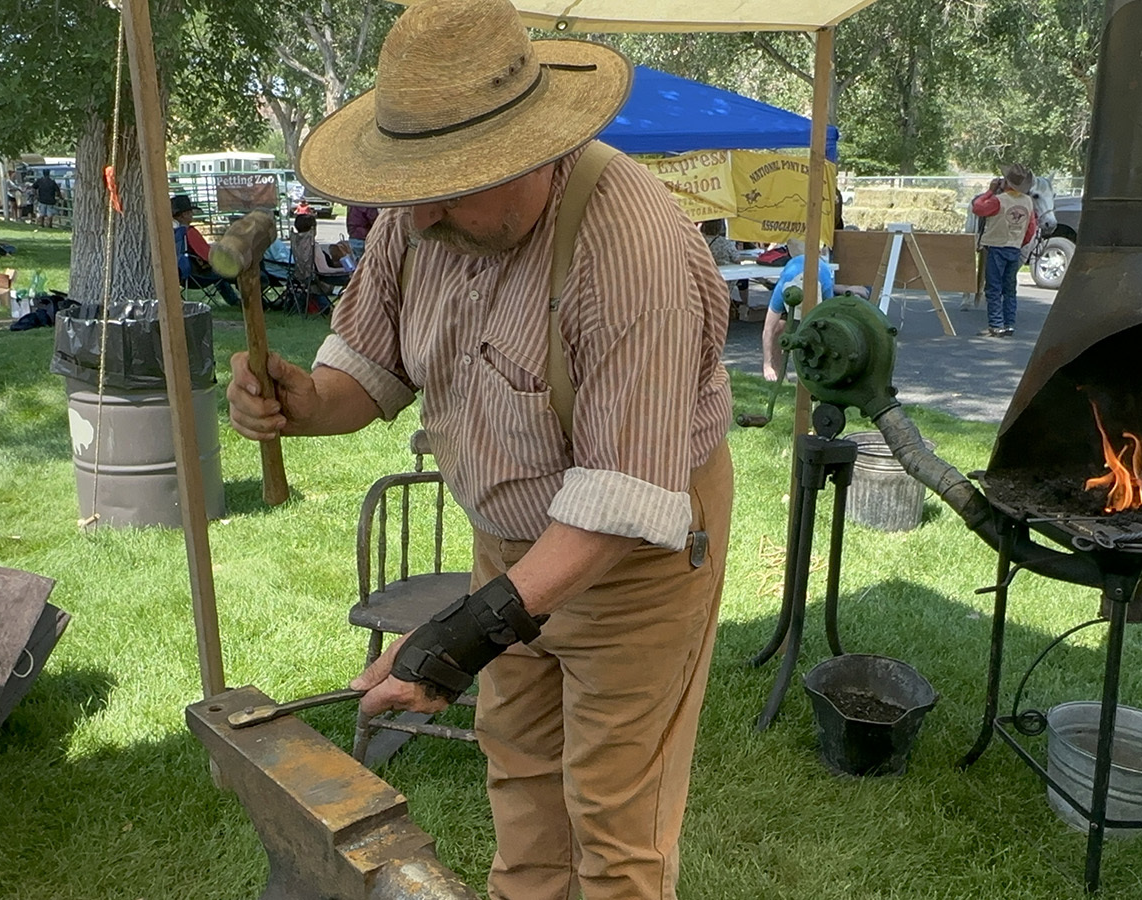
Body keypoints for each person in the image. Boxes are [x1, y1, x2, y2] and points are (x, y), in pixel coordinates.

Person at [226, 1, 733, 897]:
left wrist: (452, 644)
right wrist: (307, 405)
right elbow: (367, 373)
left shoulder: (631, 246)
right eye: (408, 187)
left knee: (618, 828)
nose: (417, 220)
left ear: (532, 154)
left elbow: (620, 503)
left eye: (451, 185)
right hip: (508, 546)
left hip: (633, 567)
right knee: (523, 785)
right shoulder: (419, 222)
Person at [759, 240, 869, 382]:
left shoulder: (824, 285)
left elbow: (829, 319)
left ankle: (815, 377)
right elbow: (768, 329)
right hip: (793, 278)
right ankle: (780, 375)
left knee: (818, 335)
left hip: (820, 275)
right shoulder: (783, 287)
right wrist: (766, 365)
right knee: (777, 329)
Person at [970, 163, 1036, 336]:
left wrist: (990, 190)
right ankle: (1009, 324)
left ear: (1005, 182)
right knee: (1009, 289)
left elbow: (977, 207)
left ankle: (996, 325)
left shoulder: (998, 201)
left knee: (993, 288)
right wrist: (1018, 242)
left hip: (996, 247)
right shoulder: (1028, 202)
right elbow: (1031, 229)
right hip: (1014, 248)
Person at [170, 194, 240, 306]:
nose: (192, 215)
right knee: (225, 272)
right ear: (183, 215)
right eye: (189, 213)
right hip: (198, 274)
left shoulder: (171, 234)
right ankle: (237, 301)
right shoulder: (189, 232)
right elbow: (207, 255)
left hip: (181, 275)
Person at [289, 212, 351, 312]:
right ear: (313, 228)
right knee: (354, 275)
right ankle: (348, 308)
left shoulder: (297, 242)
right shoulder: (314, 246)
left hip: (302, 277)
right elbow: (324, 270)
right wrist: (344, 269)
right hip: (319, 279)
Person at [701, 218, 750, 310]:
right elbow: (737, 259)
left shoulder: (700, 239)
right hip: (725, 275)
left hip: (706, 272)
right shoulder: (725, 242)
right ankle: (745, 304)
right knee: (743, 279)